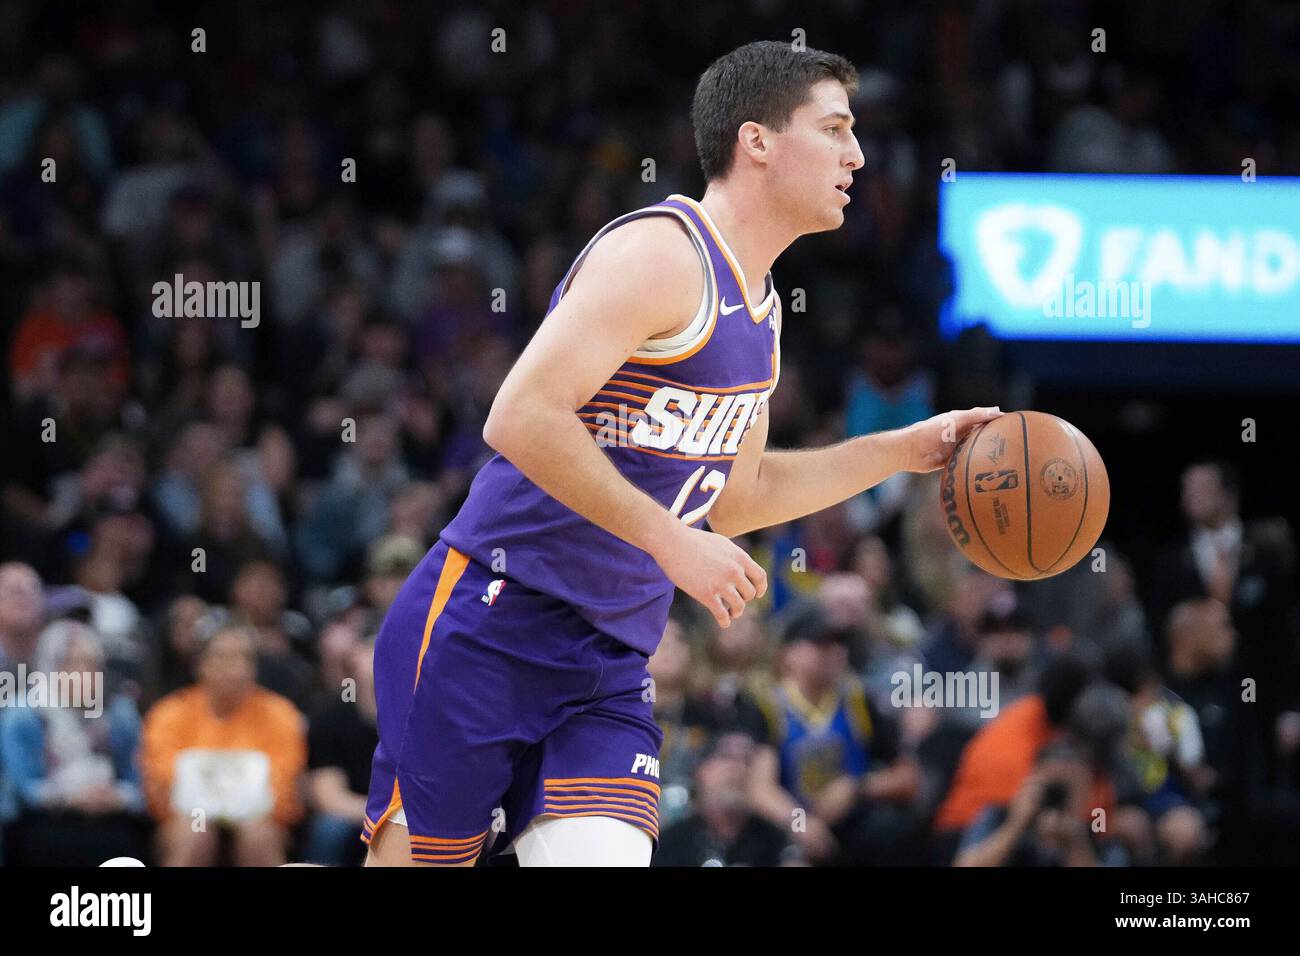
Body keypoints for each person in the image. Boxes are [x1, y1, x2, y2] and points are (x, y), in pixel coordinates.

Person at [362, 40, 1002, 868]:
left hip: (608, 658)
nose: (859, 154)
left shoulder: (763, 313)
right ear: (757, 141)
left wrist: (900, 450)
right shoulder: (662, 254)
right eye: (836, 128)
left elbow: (736, 497)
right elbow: (519, 416)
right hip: (489, 620)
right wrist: (670, 540)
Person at [139, 624, 306, 866]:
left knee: (257, 836)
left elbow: (287, 782)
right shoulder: (169, 714)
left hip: (259, 820)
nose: (235, 667)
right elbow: (160, 781)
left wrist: (243, 806)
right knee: (195, 832)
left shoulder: (281, 714)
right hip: (189, 817)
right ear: (201, 664)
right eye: (224, 657)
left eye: (244, 658)